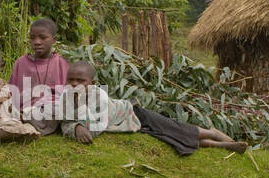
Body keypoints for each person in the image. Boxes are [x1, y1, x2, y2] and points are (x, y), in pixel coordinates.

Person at [60, 60, 247, 155]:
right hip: (128, 127)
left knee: (174, 128)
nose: (75, 84)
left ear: (92, 83)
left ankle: (211, 132)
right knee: (170, 138)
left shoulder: (99, 96)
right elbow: (64, 121)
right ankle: (221, 146)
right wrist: (75, 127)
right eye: (71, 80)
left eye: (81, 81)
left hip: (135, 114)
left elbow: (98, 126)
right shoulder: (65, 96)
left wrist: (80, 127)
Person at [8, 18, 69, 137]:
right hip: (28, 110)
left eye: (42, 37)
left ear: (54, 40)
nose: (37, 42)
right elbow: (12, 93)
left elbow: (67, 93)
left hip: (53, 109)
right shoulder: (21, 63)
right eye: (32, 38)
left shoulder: (62, 63)